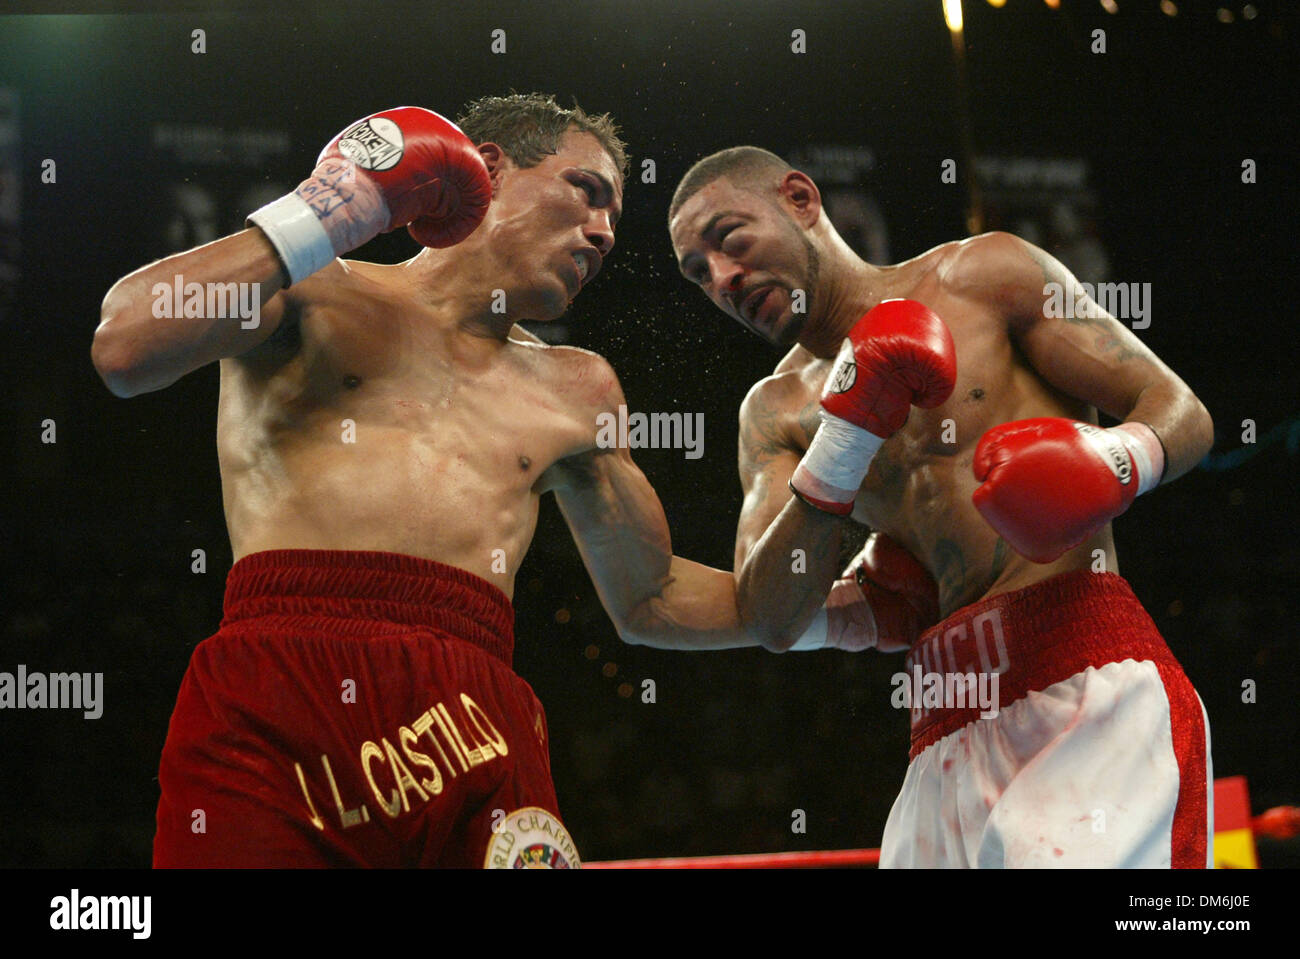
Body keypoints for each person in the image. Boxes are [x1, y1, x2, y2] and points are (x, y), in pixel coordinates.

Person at [94, 97, 931, 868]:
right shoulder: (316, 293)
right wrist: (328, 210)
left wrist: (843, 621)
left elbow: (653, 597)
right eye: (585, 189)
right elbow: (126, 347)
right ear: (486, 169)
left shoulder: (579, 388)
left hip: (476, 719)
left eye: (614, 214)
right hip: (282, 695)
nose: (604, 231)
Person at [668, 146, 1215, 868]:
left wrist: (1115, 461)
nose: (723, 278)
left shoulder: (984, 275)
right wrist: (846, 436)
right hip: (942, 725)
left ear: (800, 199)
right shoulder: (776, 413)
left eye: (730, 238)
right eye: (698, 273)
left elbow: (1181, 410)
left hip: (1085, 674)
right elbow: (769, 614)